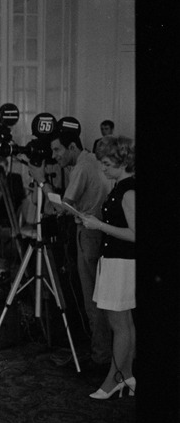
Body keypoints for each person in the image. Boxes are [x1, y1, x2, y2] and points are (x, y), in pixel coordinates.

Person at [29, 128, 111, 368]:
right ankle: (102, 354)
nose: (55, 156)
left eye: (58, 150)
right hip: (98, 233)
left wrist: (42, 181)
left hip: (88, 235)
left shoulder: (83, 167)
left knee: (92, 301)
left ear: (73, 147)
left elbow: (62, 208)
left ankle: (100, 358)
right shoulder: (92, 161)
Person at [80, 136, 136, 399]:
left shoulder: (128, 191)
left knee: (119, 324)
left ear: (122, 162)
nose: (102, 168)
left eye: (106, 163)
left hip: (122, 263)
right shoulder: (121, 186)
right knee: (124, 323)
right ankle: (126, 375)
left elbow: (135, 234)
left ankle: (113, 379)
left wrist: (98, 225)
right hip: (116, 261)